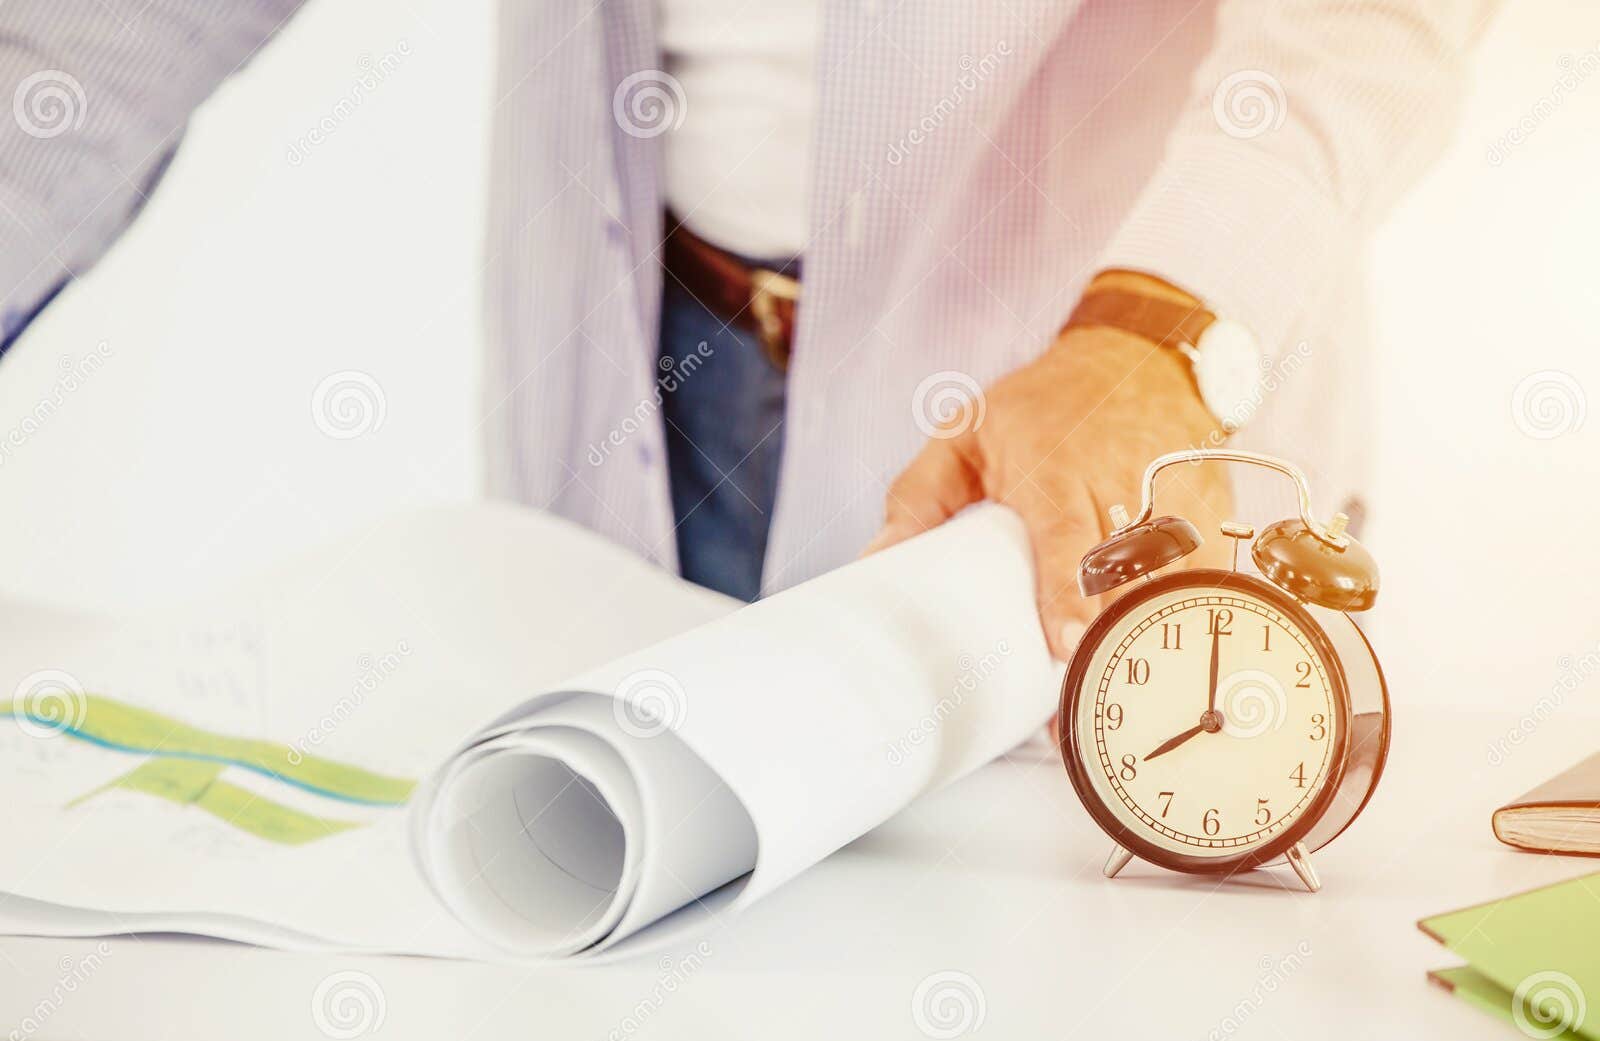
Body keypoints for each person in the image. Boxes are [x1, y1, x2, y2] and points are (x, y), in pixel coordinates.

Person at [0, 1, 1489, 658]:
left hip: (1091, 407)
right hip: (661, 379)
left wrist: (1161, 330)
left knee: (1077, 997)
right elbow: (108, 28)